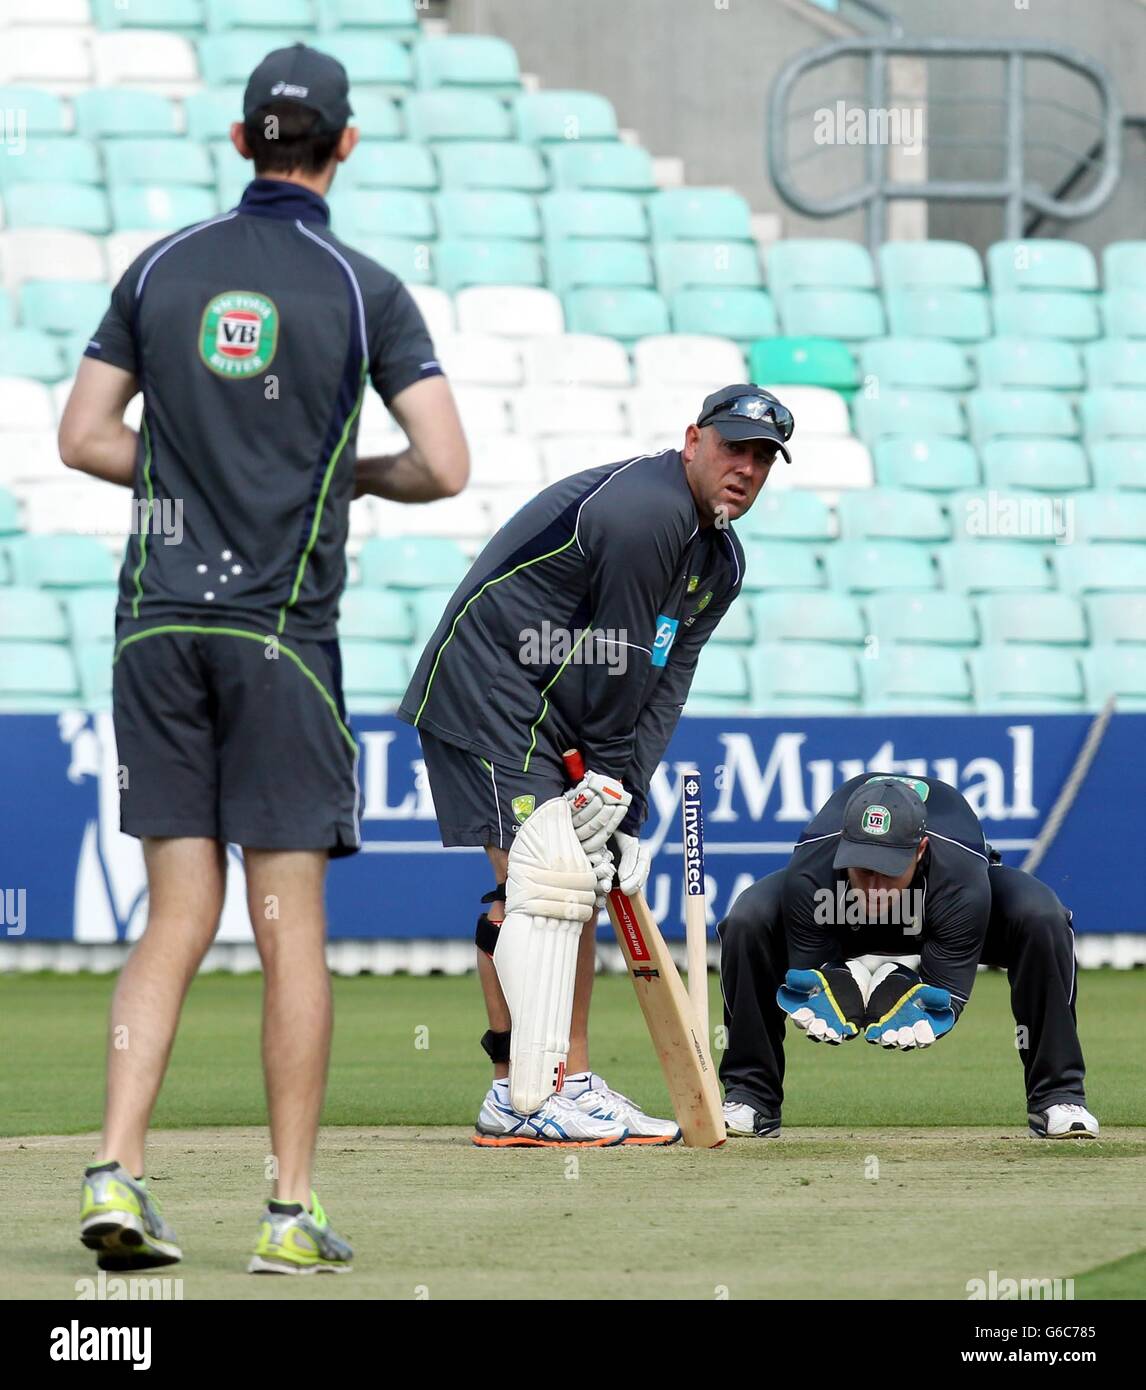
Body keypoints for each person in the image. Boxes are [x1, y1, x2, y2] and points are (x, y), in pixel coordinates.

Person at [58, 43, 469, 1275]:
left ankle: (116, 1170)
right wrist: (333, 479)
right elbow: (445, 465)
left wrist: (190, 480)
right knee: (287, 922)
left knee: (174, 913)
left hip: (158, 626)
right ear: (342, 146)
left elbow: (83, 436)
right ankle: (289, 1209)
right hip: (280, 640)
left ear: (242, 143)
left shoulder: (163, 267)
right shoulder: (362, 290)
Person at [398, 384, 795, 1145]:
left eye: (762, 458)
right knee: (536, 888)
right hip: (490, 690)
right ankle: (517, 1093)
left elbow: (664, 678)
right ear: (693, 441)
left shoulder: (720, 561)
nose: (745, 468)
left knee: (572, 882)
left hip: (559, 712)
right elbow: (617, 654)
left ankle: (567, 1081)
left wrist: (627, 793)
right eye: (733, 447)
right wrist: (606, 772)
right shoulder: (648, 512)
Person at [718, 775, 1098, 1140]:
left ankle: (1058, 1097)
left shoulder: (959, 873)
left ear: (919, 851)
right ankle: (751, 1097)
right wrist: (833, 989)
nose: (875, 887)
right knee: (747, 920)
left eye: (889, 870)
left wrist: (906, 993)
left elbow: (942, 997)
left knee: (1042, 917)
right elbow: (815, 980)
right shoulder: (814, 865)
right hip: (839, 914)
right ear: (843, 849)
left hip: (941, 911)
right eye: (864, 869)